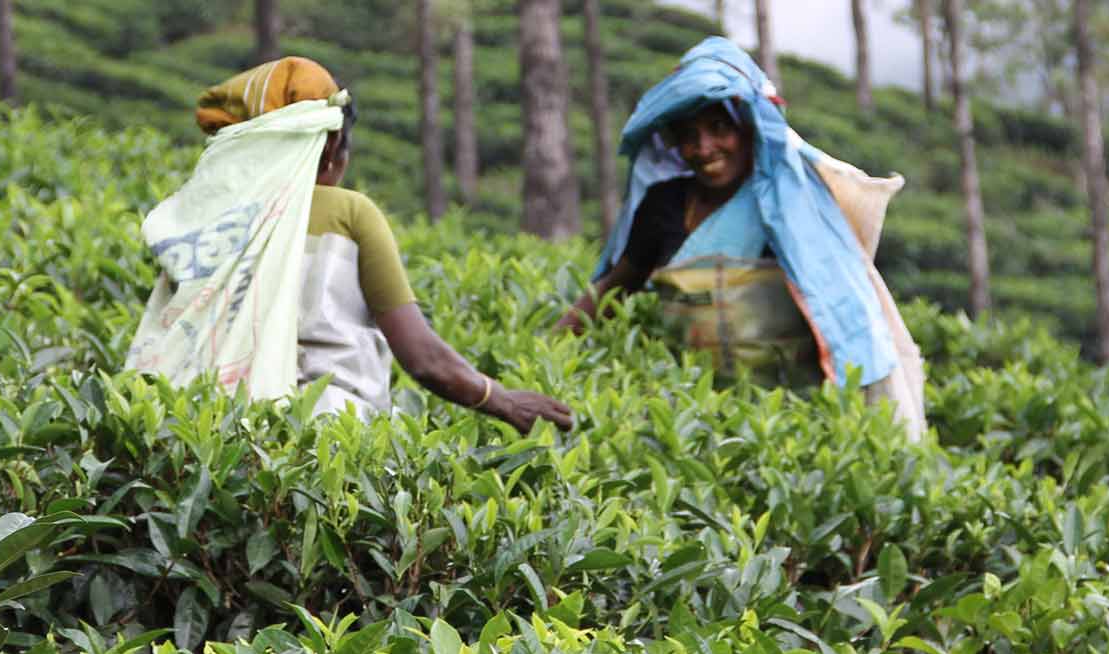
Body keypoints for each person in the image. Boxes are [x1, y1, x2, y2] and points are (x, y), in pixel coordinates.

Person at [125, 57, 572, 435]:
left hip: (214, 431)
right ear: (334, 142)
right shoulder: (350, 213)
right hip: (330, 431)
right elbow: (422, 358)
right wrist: (504, 401)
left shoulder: (200, 224)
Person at [555, 37, 927, 439]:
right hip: (684, 410)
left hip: (781, 416)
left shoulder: (788, 209)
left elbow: (836, 308)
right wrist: (549, 348)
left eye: (719, 128)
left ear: (748, 128)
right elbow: (615, 287)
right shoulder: (664, 204)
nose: (704, 148)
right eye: (688, 135)